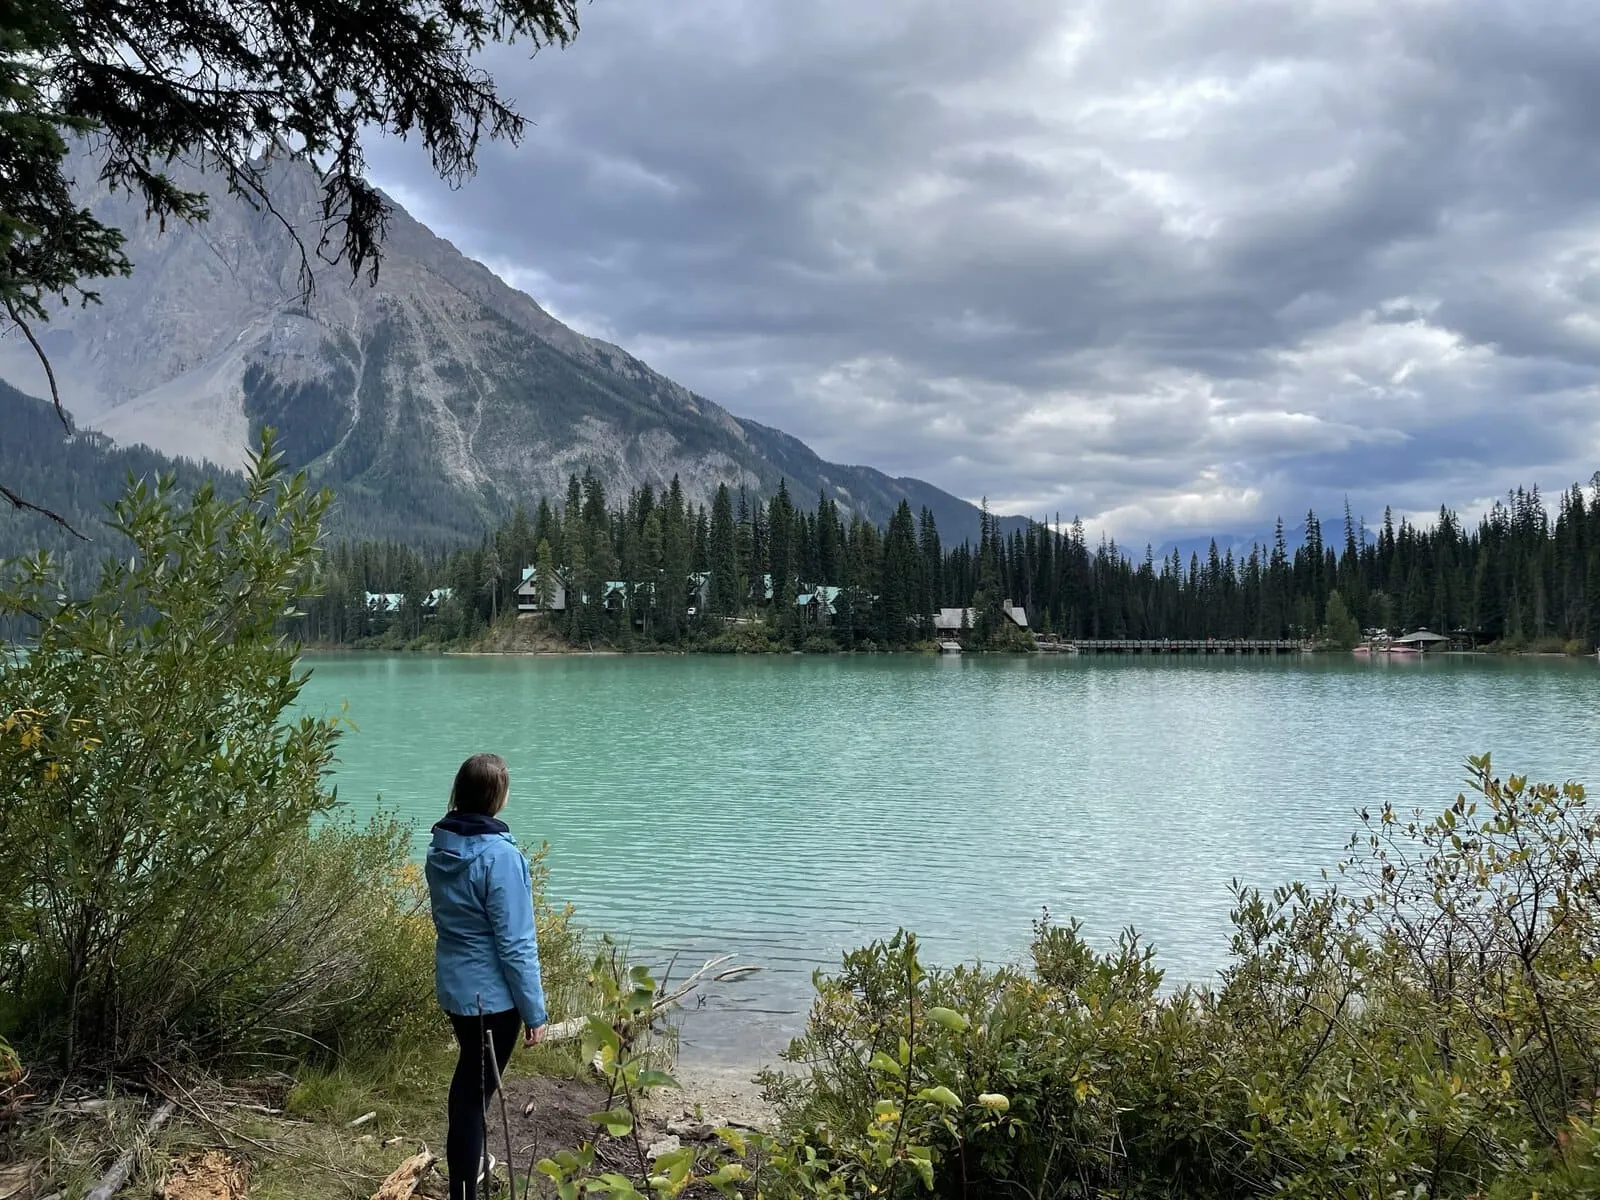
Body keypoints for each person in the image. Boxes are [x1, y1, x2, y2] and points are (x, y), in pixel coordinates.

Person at [425, 753, 548, 1200]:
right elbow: (515, 944)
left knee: (468, 1086)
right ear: (498, 796)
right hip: (493, 1000)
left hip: (456, 989)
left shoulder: (441, 847)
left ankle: (464, 1183)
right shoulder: (501, 857)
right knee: (475, 1095)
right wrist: (534, 1009)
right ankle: (464, 1192)